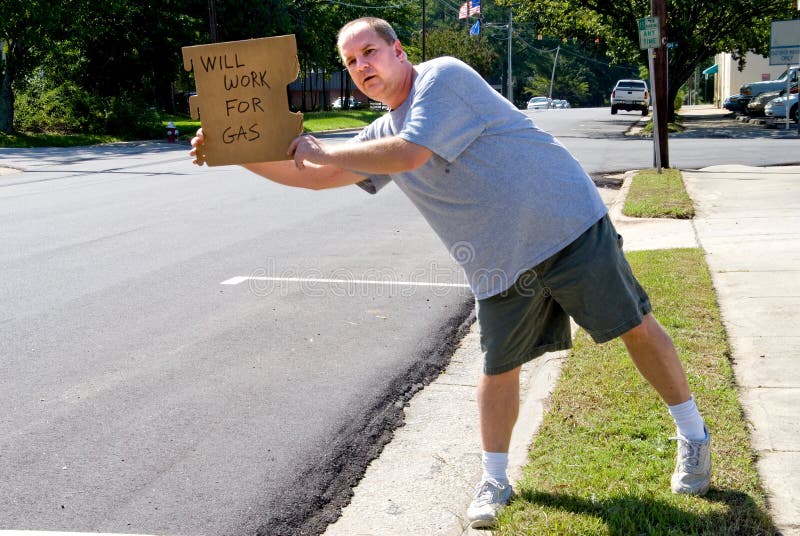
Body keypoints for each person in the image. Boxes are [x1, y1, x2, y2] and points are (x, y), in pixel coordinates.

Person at [190, 17, 711, 529]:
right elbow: (314, 178)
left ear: (398, 51)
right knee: (498, 367)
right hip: (498, 262)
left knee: (633, 324)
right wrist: (233, 151)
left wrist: (326, 147)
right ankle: (495, 479)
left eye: (369, 51)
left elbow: (410, 153)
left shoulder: (444, 77)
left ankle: (692, 437)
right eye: (350, 62)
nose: (361, 66)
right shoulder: (378, 132)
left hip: (567, 226)